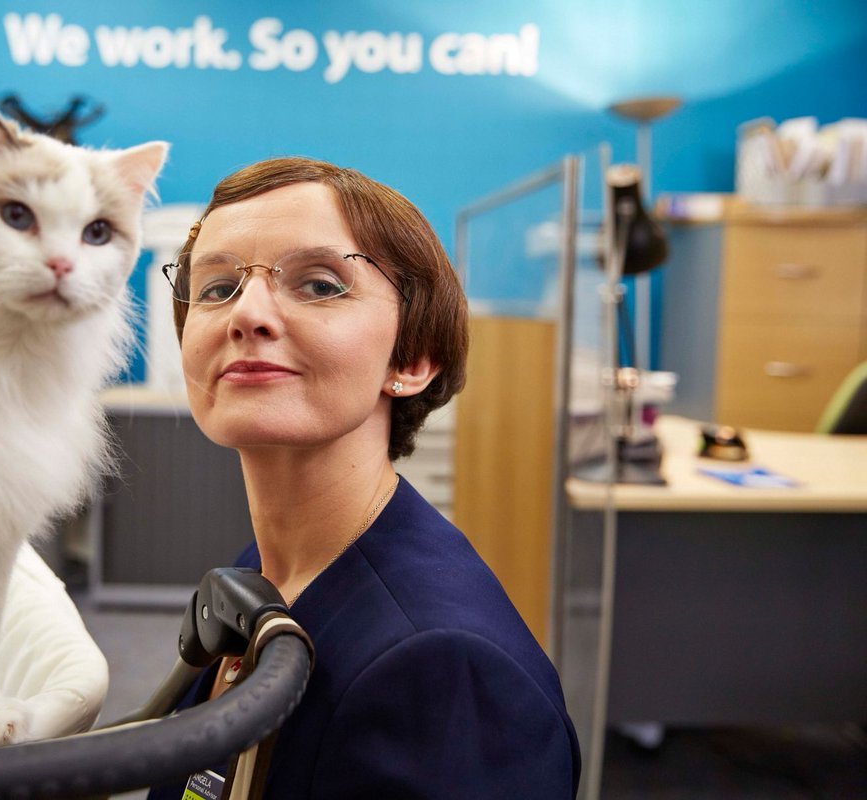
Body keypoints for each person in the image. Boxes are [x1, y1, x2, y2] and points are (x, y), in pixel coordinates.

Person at [146, 157, 580, 799]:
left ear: (412, 357)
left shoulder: (445, 672)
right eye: (216, 288)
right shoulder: (270, 572)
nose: (247, 315)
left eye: (319, 285)